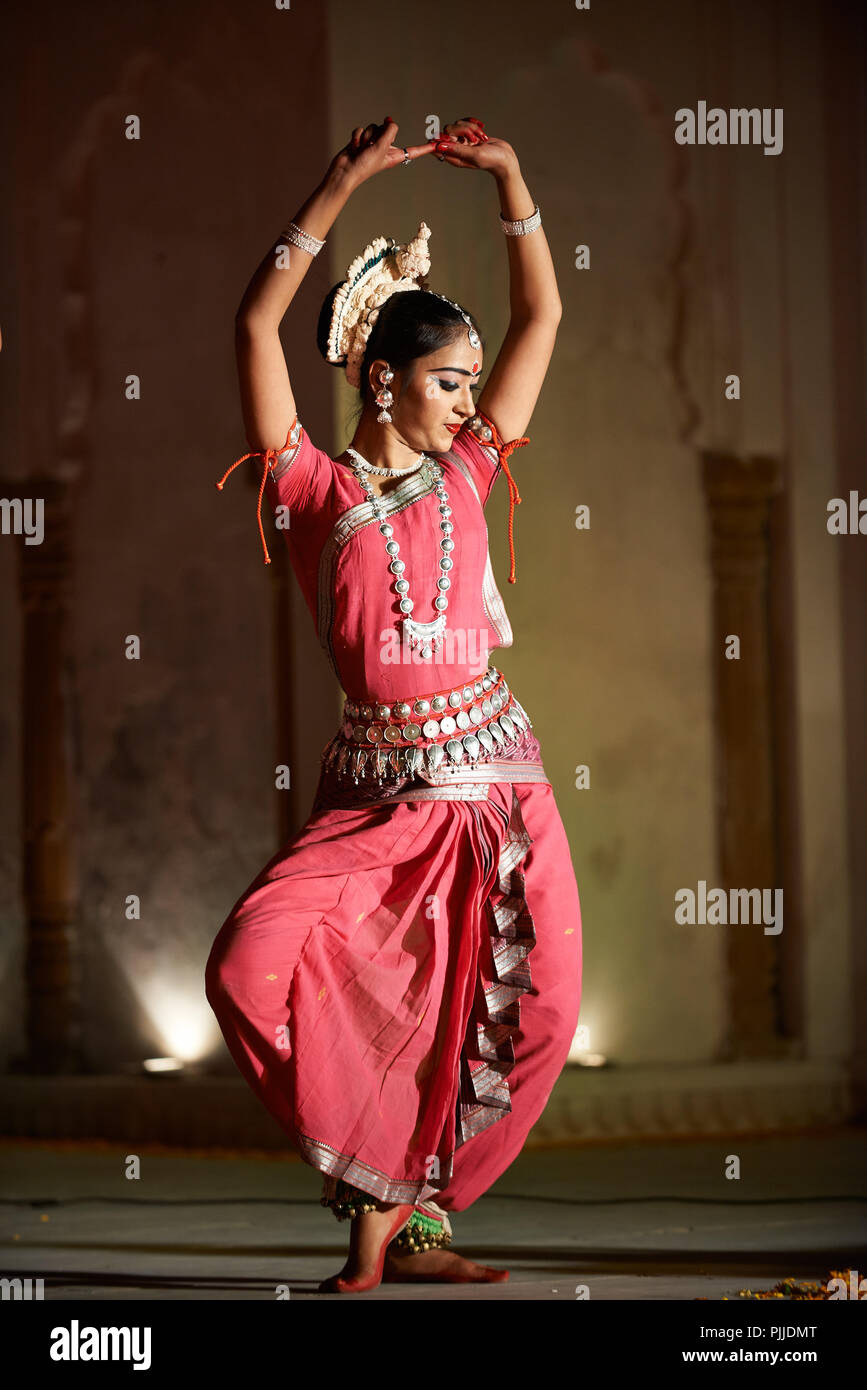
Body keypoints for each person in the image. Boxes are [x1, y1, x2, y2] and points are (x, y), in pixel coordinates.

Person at [205, 115, 583, 1294]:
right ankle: (373, 1190)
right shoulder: (315, 488)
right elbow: (254, 325)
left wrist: (516, 179)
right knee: (250, 968)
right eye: (449, 382)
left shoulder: (473, 470)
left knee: (529, 1007)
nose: (474, 406)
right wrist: (337, 183)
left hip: (500, 783)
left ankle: (410, 1225)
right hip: (377, 795)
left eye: (476, 385)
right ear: (383, 378)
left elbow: (546, 320)